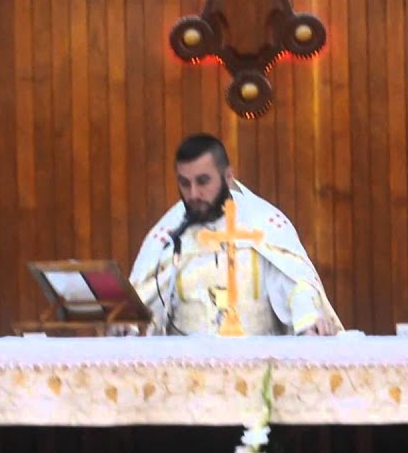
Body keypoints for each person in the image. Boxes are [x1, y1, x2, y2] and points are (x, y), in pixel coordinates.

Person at [129, 134, 343, 336]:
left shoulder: (263, 226)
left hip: (260, 366)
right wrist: (128, 325)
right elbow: (143, 303)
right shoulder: (168, 236)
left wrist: (309, 319)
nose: (193, 194)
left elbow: (295, 284)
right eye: (185, 183)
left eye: (203, 181)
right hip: (186, 369)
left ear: (228, 177)